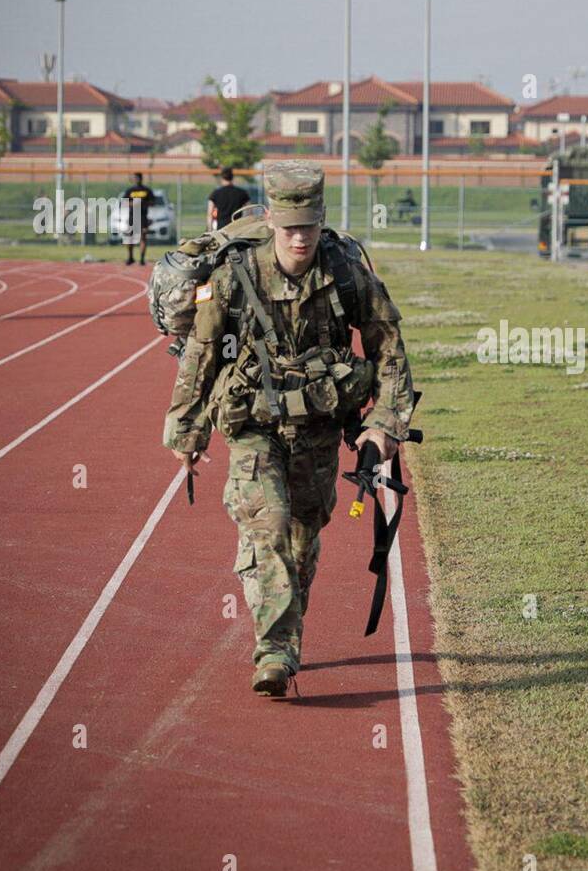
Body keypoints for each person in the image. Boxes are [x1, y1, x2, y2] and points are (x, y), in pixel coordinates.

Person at [163, 161, 415, 699]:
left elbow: (388, 348)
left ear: (321, 221)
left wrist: (383, 425)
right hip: (253, 426)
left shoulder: (346, 272)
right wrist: (186, 434)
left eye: (308, 226)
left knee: (302, 540)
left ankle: (285, 628)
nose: (300, 238)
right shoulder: (237, 275)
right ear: (273, 222)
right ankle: (273, 651)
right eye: (290, 227)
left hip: (320, 429)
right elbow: (201, 356)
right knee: (269, 523)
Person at [120, 171, 153, 265]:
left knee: (143, 236)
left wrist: (144, 203)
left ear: (141, 179)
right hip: (132, 216)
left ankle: (142, 259)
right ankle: (130, 257)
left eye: (137, 178)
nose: (136, 180)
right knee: (129, 237)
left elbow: (152, 202)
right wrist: (134, 203)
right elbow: (124, 202)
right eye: (134, 178)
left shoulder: (147, 190)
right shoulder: (130, 190)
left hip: (143, 216)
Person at [208, 166, 250, 230]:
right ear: (232, 177)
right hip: (237, 229)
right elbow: (249, 211)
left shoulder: (216, 193)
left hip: (222, 230)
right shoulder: (242, 193)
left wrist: (210, 230)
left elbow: (210, 214)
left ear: (222, 177)